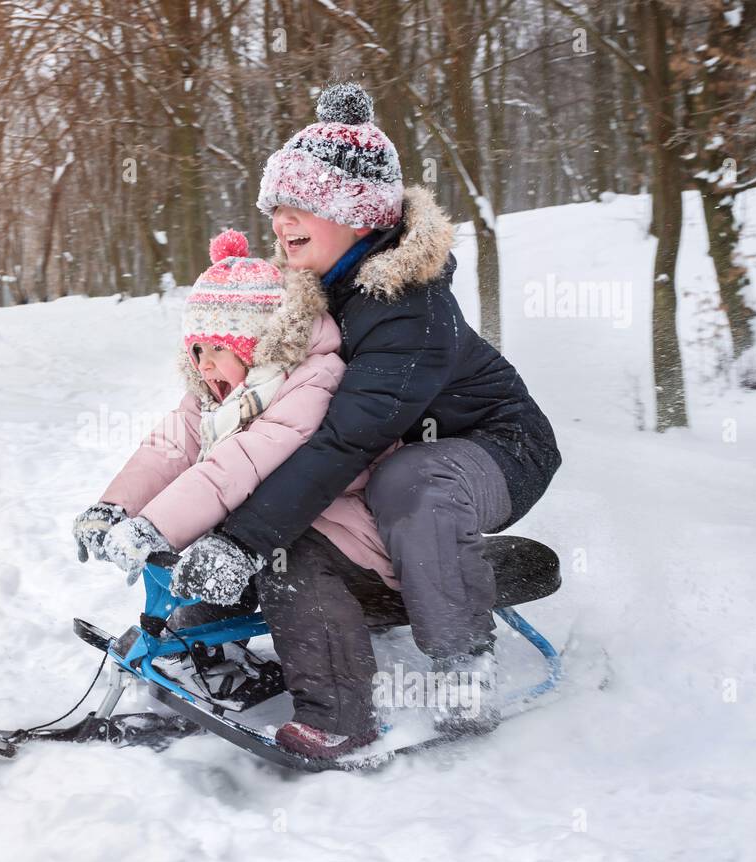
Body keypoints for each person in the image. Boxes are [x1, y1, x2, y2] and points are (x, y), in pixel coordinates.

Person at [166, 83, 563, 758]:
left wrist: (242, 540)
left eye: (304, 205)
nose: (283, 220)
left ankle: (463, 663)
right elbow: (254, 407)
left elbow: (344, 438)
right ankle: (205, 646)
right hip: (382, 456)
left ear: (356, 213)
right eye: (278, 205)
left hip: (496, 448)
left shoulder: (411, 311)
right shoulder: (307, 289)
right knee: (295, 517)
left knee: (410, 480)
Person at [72, 231, 402, 750]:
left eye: (217, 349)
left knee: (285, 561)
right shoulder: (217, 394)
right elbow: (166, 449)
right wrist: (114, 508)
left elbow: (240, 463)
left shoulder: (313, 383)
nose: (203, 365)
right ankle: (201, 650)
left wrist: (154, 525)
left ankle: (342, 717)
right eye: (195, 350)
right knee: (214, 541)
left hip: (353, 543)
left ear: (258, 344)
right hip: (269, 526)